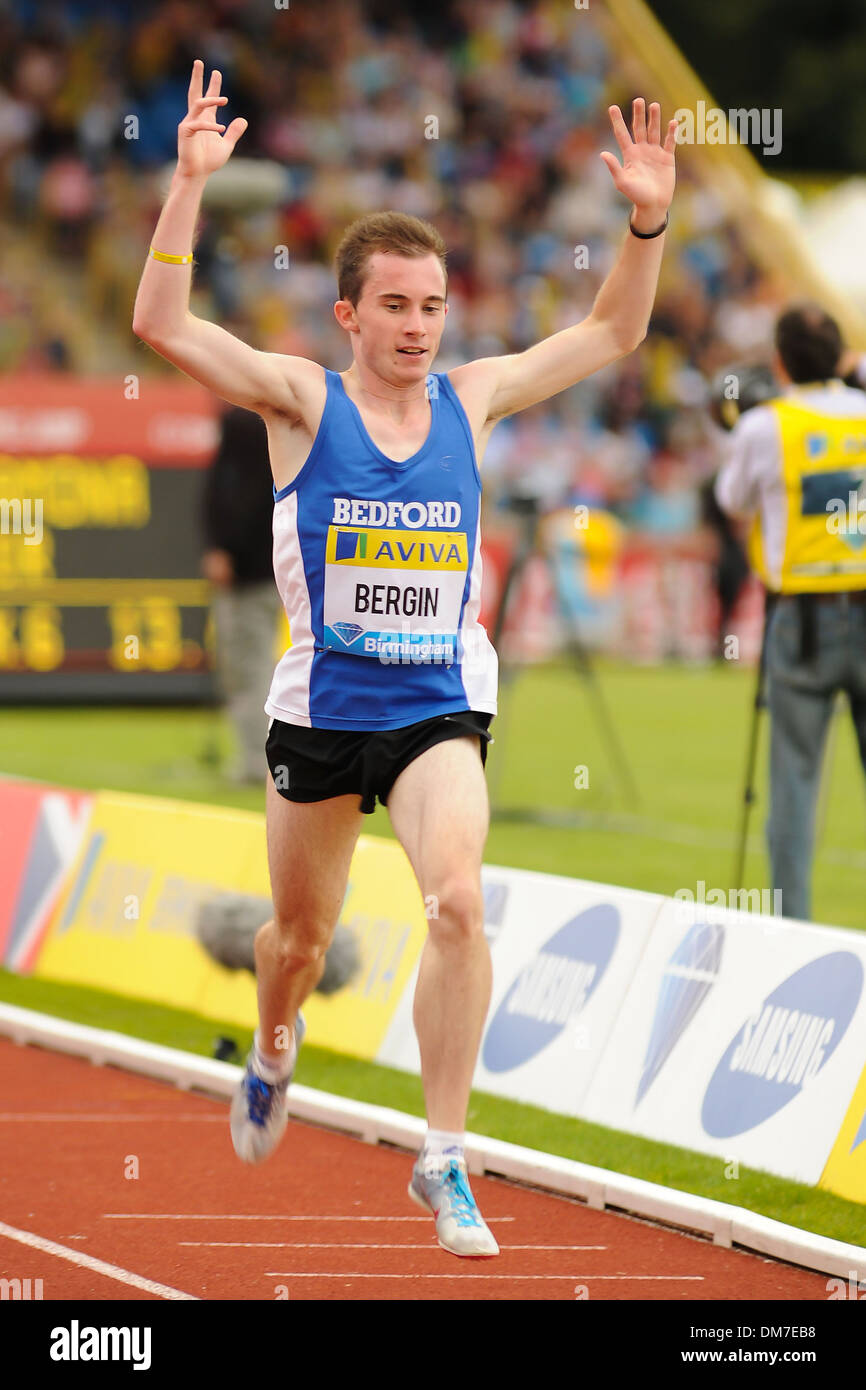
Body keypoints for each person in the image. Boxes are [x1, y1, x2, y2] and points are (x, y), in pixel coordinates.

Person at [133, 60, 676, 1258]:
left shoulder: (473, 400)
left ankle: (442, 1154)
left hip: (437, 704)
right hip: (323, 709)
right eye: (395, 307)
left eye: (432, 306)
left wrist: (646, 219)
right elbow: (160, 327)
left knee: (457, 901)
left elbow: (614, 328)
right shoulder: (295, 403)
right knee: (300, 942)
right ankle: (275, 1044)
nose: (418, 328)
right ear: (349, 315)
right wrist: (186, 185)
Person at [715, 305, 866, 922]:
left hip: (801, 617)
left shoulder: (765, 425)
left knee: (795, 783)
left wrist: (738, 421)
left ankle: (791, 932)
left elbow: (732, 500)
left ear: (779, 362)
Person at [201, 398, 282, 784]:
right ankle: (258, 757)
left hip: (250, 577)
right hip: (269, 573)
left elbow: (234, 495)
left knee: (248, 668)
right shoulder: (267, 426)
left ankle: (256, 762)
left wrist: (225, 548)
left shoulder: (243, 424)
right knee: (252, 666)